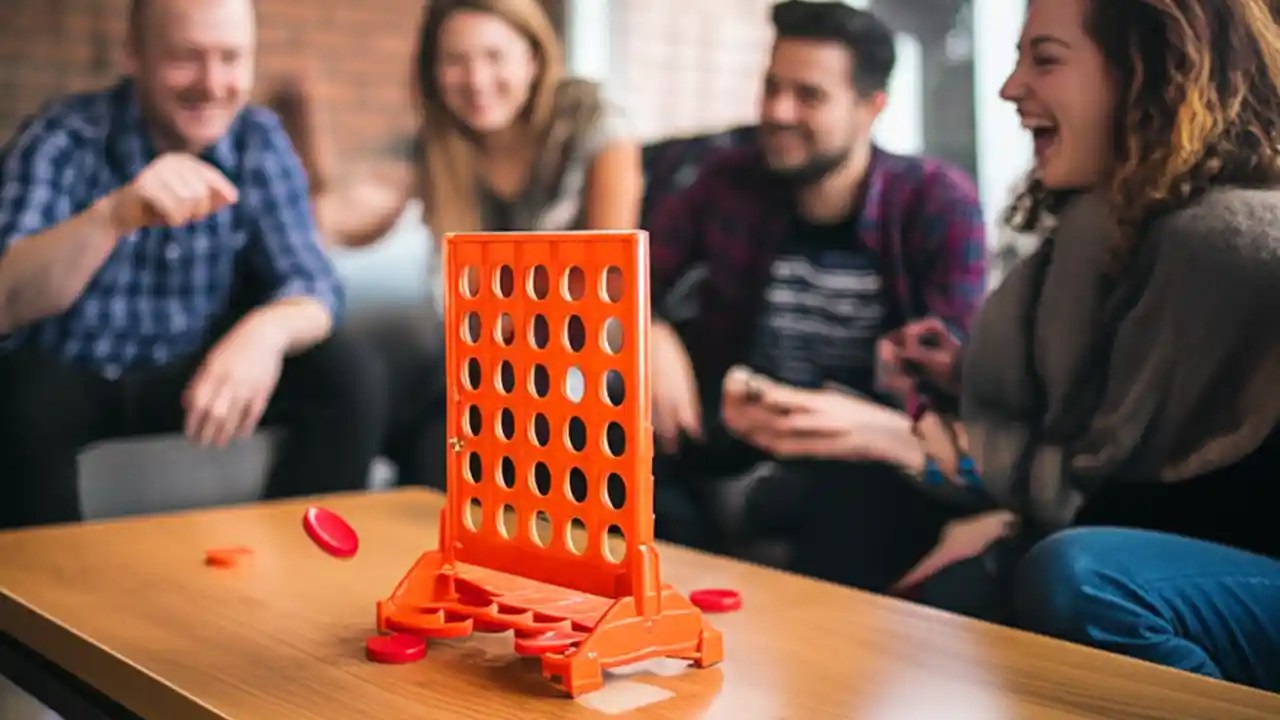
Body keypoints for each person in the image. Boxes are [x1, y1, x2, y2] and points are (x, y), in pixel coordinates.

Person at [731, 0, 1280, 691]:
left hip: (1198, 557)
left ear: (1152, 72)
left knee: (1069, 576)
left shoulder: (1228, 244)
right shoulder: (1101, 228)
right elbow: (1109, 424)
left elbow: (1131, 487)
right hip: (1123, 529)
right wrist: (961, 381)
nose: (1010, 87)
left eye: (1045, 60)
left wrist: (915, 449)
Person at [0, 0, 385, 529]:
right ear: (134, 53)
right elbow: (8, 297)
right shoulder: (64, 137)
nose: (212, 83)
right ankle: (35, 604)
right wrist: (112, 216)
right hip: (70, 376)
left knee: (347, 372)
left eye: (231, 58)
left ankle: (301, 574)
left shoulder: (256, 139)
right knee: (18, 394)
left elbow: (314, 284)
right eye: (186, 57)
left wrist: (264, 333)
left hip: (193, 379)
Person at [645, 1, 987, 566]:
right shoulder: (727, 179)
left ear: (871, 107)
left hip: (861, 451)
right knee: (615, 471)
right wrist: (650, 330)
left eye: (809, 96)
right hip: (729, 432)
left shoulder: (935, 202)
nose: (777, 112)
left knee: (862, 512)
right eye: (772, 87)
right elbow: (618, 281)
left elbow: (957, 377)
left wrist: (878, 420)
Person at [305, 0, 644, 490]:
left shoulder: (594, 122)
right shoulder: (440, 149)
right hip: (487, 363)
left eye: (494, 56)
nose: (476, 80)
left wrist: (505, 327)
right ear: (433, 73)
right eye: (455, 61)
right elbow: (355, 211)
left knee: (476, 425)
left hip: (578, 353)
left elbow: (608, 279)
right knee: (395, 400)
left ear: (533, 57)